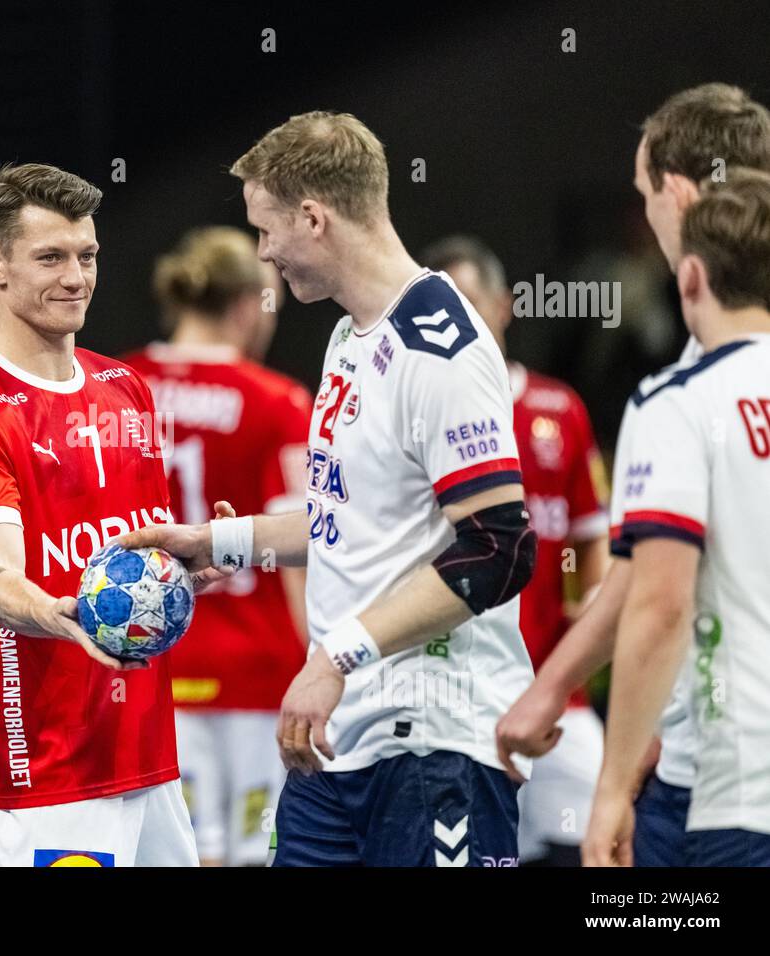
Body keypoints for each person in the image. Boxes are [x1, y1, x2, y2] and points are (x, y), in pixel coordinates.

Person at [120, 112, 535, 866]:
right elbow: (347, 516)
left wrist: (333, 656)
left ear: (314, 217)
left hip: (433, 744)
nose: (265, 254)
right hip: (338, 743)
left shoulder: (439, 346)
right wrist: (217, 542)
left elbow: (499, 551)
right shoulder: (350, 337)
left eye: (267, 230)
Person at [496, 82, 770, 867]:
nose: (643, 213)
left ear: (677, 194)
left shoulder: (684, 392)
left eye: (644, 191)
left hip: (723, 785)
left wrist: (611, 780)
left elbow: (658, 593)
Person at [0, 163, 208, 867]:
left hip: (149, 758)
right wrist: (61, 615)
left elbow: (137, 558)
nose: (76, 277)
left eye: (88, 256)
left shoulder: (126, 388)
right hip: (40, 774)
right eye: (50, 257)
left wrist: (188, 572)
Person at [583, 168, 770, 866]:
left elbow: (660, 604)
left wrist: (610, 789)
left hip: (737, 793)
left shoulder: (676, 404)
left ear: (690, 278)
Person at [123, 226, 310, 865]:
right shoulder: (280, 403)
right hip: (258, 674)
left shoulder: (116, 390)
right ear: (244, 306)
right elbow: (303, 550)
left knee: (173, 854)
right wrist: (325, 663)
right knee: (259, 855)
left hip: (148, 668)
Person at [421, 236, 610, 866]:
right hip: (453, 692)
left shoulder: (559, 409)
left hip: (556, 691)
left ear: (504, 306)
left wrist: (582, 624)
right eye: (446, 309)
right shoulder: (418, 408)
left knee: (597, 845)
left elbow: (591, 538)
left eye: (474, 303)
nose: (462, 322)